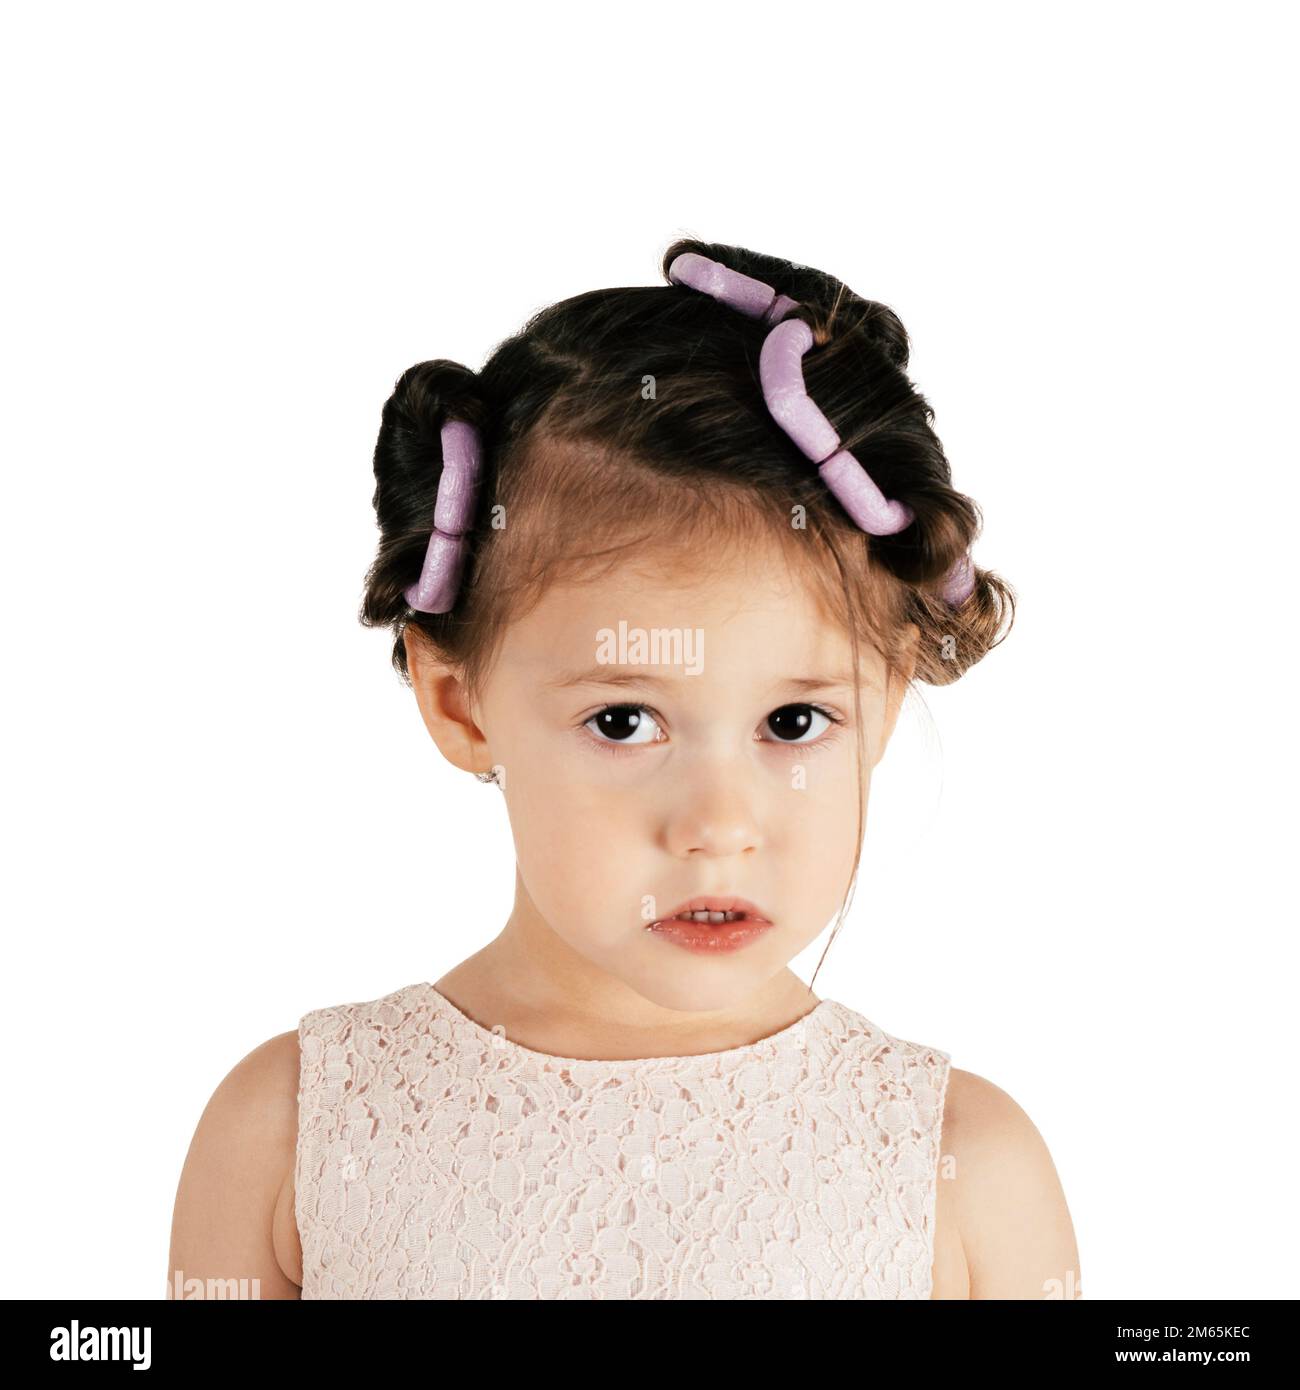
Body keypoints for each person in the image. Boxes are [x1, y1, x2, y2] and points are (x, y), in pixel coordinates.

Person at [169, 239, 1079, 1299]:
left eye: (792, 719)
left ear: (882, 704)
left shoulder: (965, 1174)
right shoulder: (290, 1135)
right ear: (457, 701)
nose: (718, 824)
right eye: (622, 719)